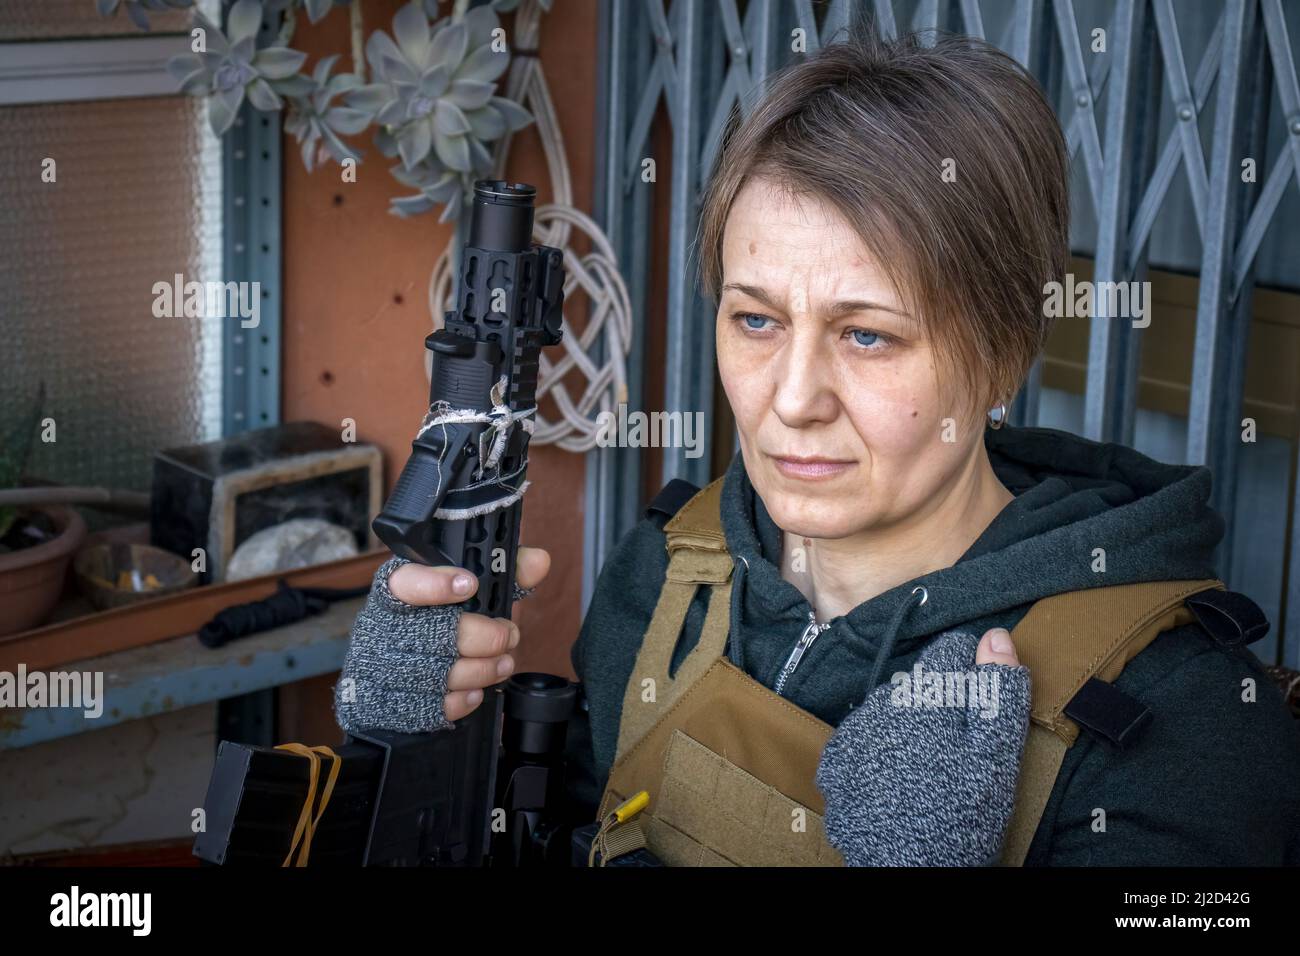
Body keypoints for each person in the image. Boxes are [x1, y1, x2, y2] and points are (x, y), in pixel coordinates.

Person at [334, 23, 1300, 865]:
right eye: (756, 321)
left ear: (1004, 352)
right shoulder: (673, 572)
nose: (791, 401)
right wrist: (413, 752)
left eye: (867, 334)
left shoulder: (1184, 713)